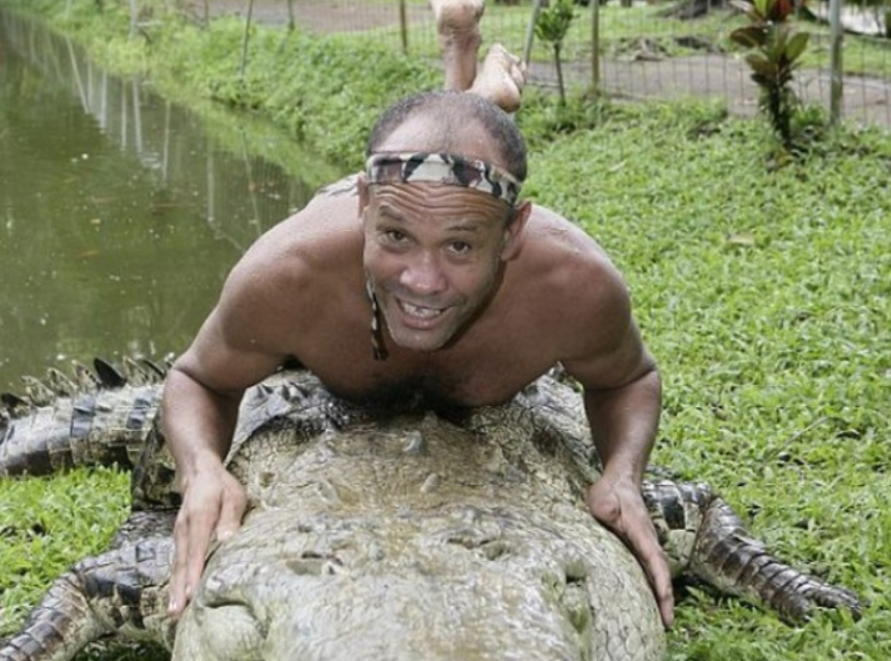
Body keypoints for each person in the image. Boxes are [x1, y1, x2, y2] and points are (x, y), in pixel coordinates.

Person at [163, 0, 674, 627]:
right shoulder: (290, 273)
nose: (424, 283)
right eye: (396, 237)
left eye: (461, 246)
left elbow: (626, 377)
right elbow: (199, 377)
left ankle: (474, 94)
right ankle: (474, 92)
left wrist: (623, 472)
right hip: (342, 240)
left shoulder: (574, 283)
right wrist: (202, 468)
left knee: (452, 159)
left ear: (514, 235)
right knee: (443, 171)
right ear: (363, 204)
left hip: (449, 210)